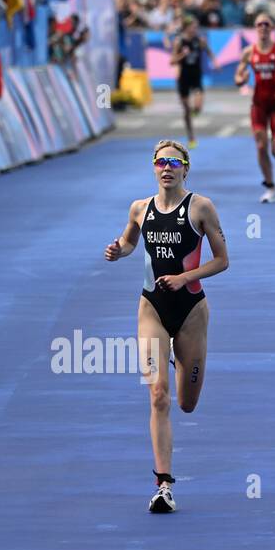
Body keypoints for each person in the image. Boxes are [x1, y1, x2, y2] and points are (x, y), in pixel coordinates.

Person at [104, 140, 229, 514]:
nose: (167, 168)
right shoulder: (140, 209)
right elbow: (128, 243)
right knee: (158, 395)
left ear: (185, 169)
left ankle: (181, 359)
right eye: (161, 162)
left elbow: (223, 261)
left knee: (187, 404)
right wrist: (117, 251)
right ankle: (163, 486)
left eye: (174, 161)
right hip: (152, 309)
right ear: (154, 168)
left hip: (191, 310)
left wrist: (183, 277)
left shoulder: (201, 207)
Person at [233, 12, 275, 203]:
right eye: (259, 24)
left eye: (266, 24)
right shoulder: (249, 52)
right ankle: (270, 186)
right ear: (255, 28)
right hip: (258, 105)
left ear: (272, 28)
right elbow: (238, 75)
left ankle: (272, 172)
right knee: (261, 146)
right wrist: (241, 80)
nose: (263, 27)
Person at [170, 16, 205, 149]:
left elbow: (207, 50)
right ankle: (191, 137)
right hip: (183, 77)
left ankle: (195, 111)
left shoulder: (199, 40)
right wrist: (182, 55)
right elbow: (172, 61)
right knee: (186, 110)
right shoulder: (179, 42)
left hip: (196, 76)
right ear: (186, 28)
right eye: (193, 27)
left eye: (196, 27)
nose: (195, 29)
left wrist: (215, 61)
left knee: (198, 105)